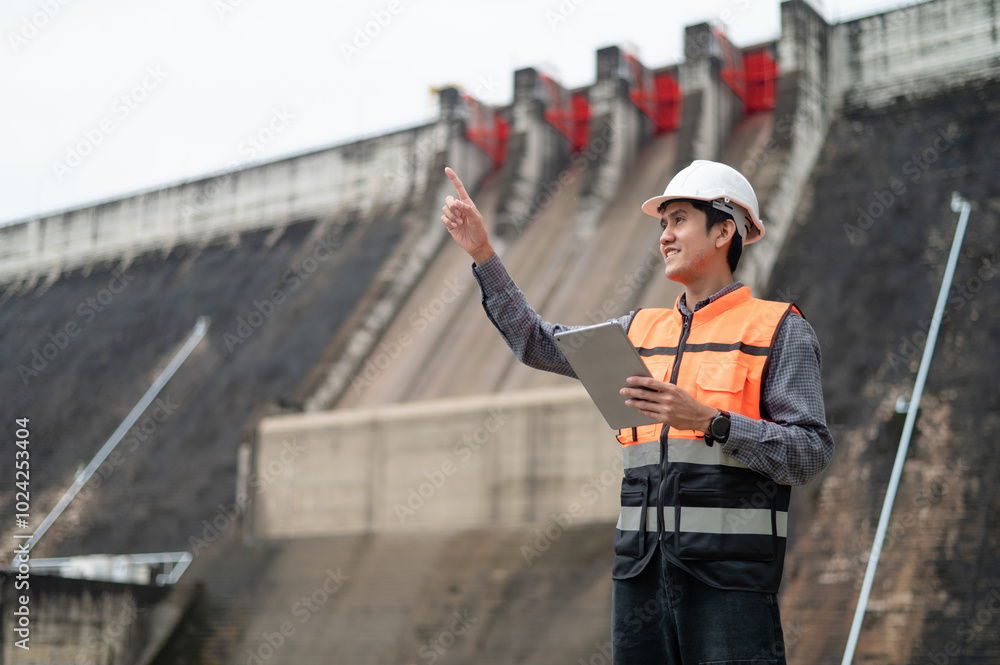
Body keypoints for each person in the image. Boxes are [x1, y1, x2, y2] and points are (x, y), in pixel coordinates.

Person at [440, 160, 833, 664]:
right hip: (641, 578)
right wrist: (483, 253)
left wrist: (712, 422)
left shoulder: (778, 329)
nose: (665, 236)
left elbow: (810, 452)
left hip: (731, 581)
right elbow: (536, 343)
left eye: (679, 221)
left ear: (724, 230)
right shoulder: (639, 331)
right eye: (662, 224)